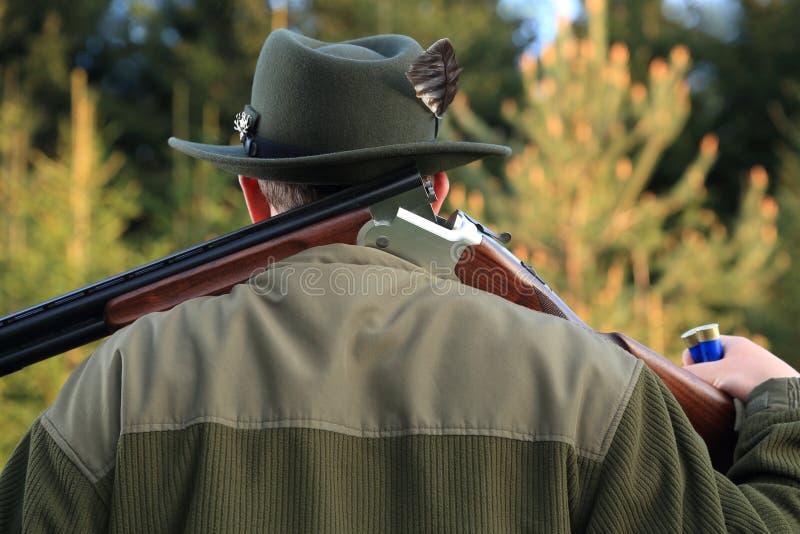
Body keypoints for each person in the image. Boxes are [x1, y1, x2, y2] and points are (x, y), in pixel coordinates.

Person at [1, 28, 799, 533]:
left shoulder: (118, 386)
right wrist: (780, 401)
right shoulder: (596, 385)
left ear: (253, 195)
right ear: (439, 189)